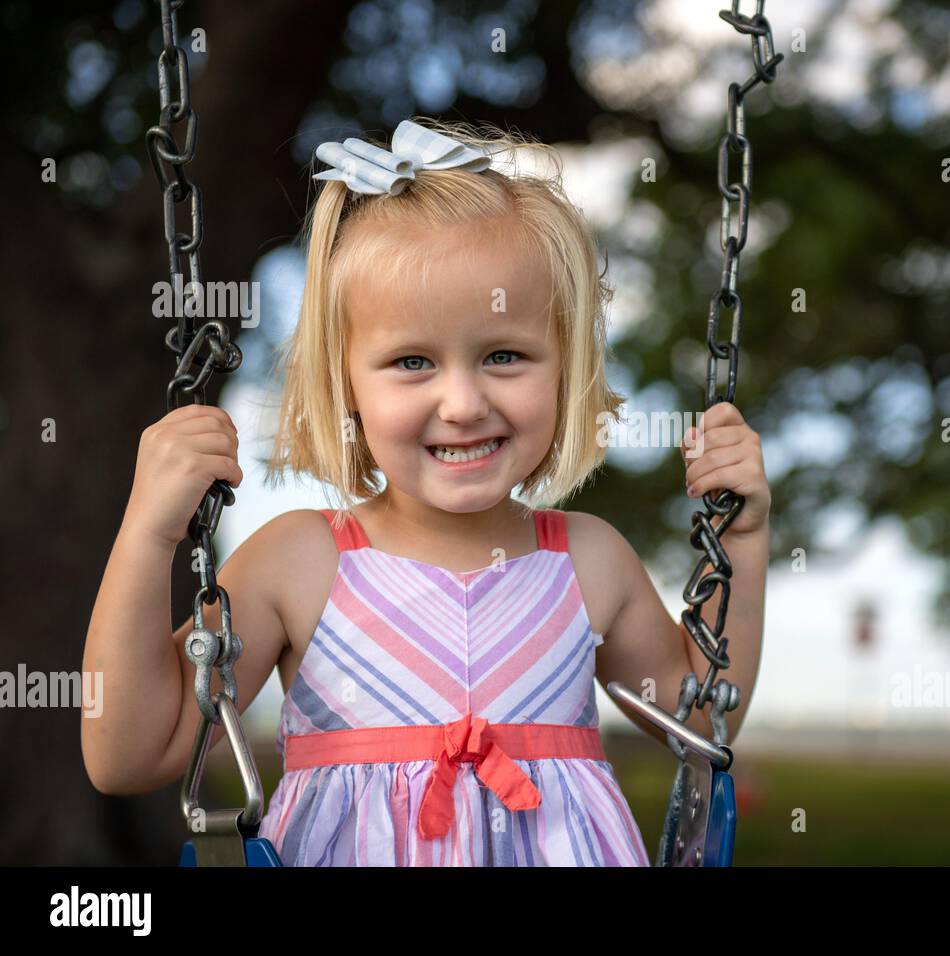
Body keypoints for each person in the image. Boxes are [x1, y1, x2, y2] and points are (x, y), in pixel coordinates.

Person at [82, 117, 771, 866]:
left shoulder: (588, 559)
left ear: (566, 369)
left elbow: (701, 712)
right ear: (345, 385)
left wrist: (739, 536)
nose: (464, 402)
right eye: (412, 362)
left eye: (504, 355)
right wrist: (148, 533)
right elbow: (130, 755)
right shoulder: (300, 562)